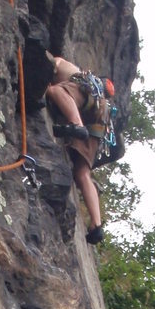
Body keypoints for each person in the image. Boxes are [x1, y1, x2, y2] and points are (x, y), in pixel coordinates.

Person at [45, 51, 108, 244]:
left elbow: (53, 82)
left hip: (86, 95)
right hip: (100, 117)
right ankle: (96, 225)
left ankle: (76, 124)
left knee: (57, 91)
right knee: (82, 173)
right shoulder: (76, 71)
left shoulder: (58, 63)